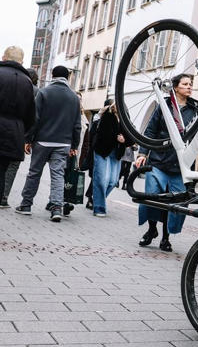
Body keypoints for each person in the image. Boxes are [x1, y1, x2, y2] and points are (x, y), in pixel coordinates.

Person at [134, 74, 198, 252]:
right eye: (185, 84)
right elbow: (151, 130)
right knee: (152, 197)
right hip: (159, 161)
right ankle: (152, 229)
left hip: (181, 166)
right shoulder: (164, 106)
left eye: (191, 84)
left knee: (176, 204)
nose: (189, 87)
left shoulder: (195, 109)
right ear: (175, 87)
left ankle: (166, 237)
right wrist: (143, 153)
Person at [16, 66, 81, 222]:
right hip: (63, 143)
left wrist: (28, 139)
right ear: (68, 78)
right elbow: (77, 125)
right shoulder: (74, 98)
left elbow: (35, 118)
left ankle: (26, 205)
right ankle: (57, 208)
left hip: (42, 141)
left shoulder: (44, 92)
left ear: (53, 76)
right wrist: (74, 146)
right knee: (58, 175)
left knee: (34, 172)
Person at [0, 47, 36, 209]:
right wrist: (22, 131)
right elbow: (31, 115)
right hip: (13, 134)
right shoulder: (27, 82)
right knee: (1, 172)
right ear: (22, 62)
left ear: (3, 57)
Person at [91, 102, 132, 217]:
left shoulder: (126, 119)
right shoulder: (107, 116)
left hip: (117, 153)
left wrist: (124, 141)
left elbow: (130, 137)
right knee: (101, 179)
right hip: (102, 151)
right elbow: (102, 134)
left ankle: (98, 198)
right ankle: (99, 207)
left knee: (113, 181)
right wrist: (116, 138)